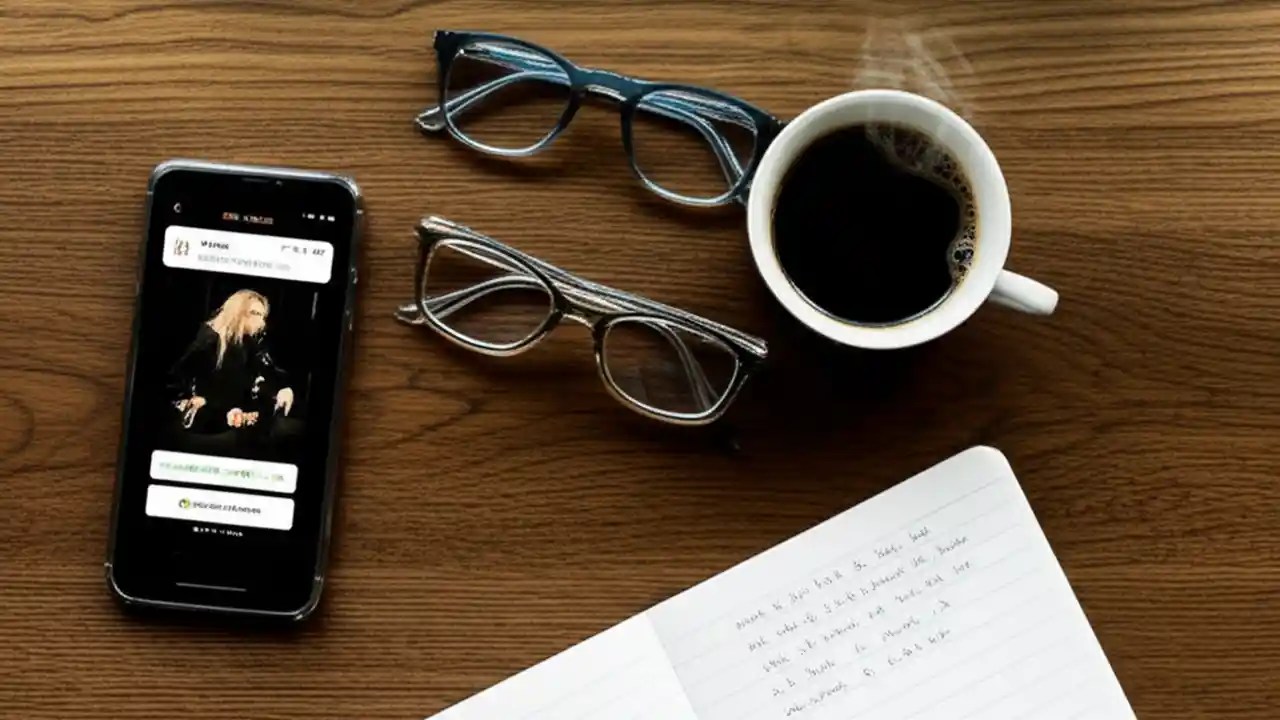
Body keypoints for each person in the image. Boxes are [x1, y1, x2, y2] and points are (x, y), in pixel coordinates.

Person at [168, 289, 294, 434]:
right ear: (237, 312)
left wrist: (282, 388)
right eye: (254, 313)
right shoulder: (208, 341)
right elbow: (177, 382)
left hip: (233, 421)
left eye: (262, 316)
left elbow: (266, 368)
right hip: (205, 425)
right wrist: (197, 404)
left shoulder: (248, 343)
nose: (261, 322)